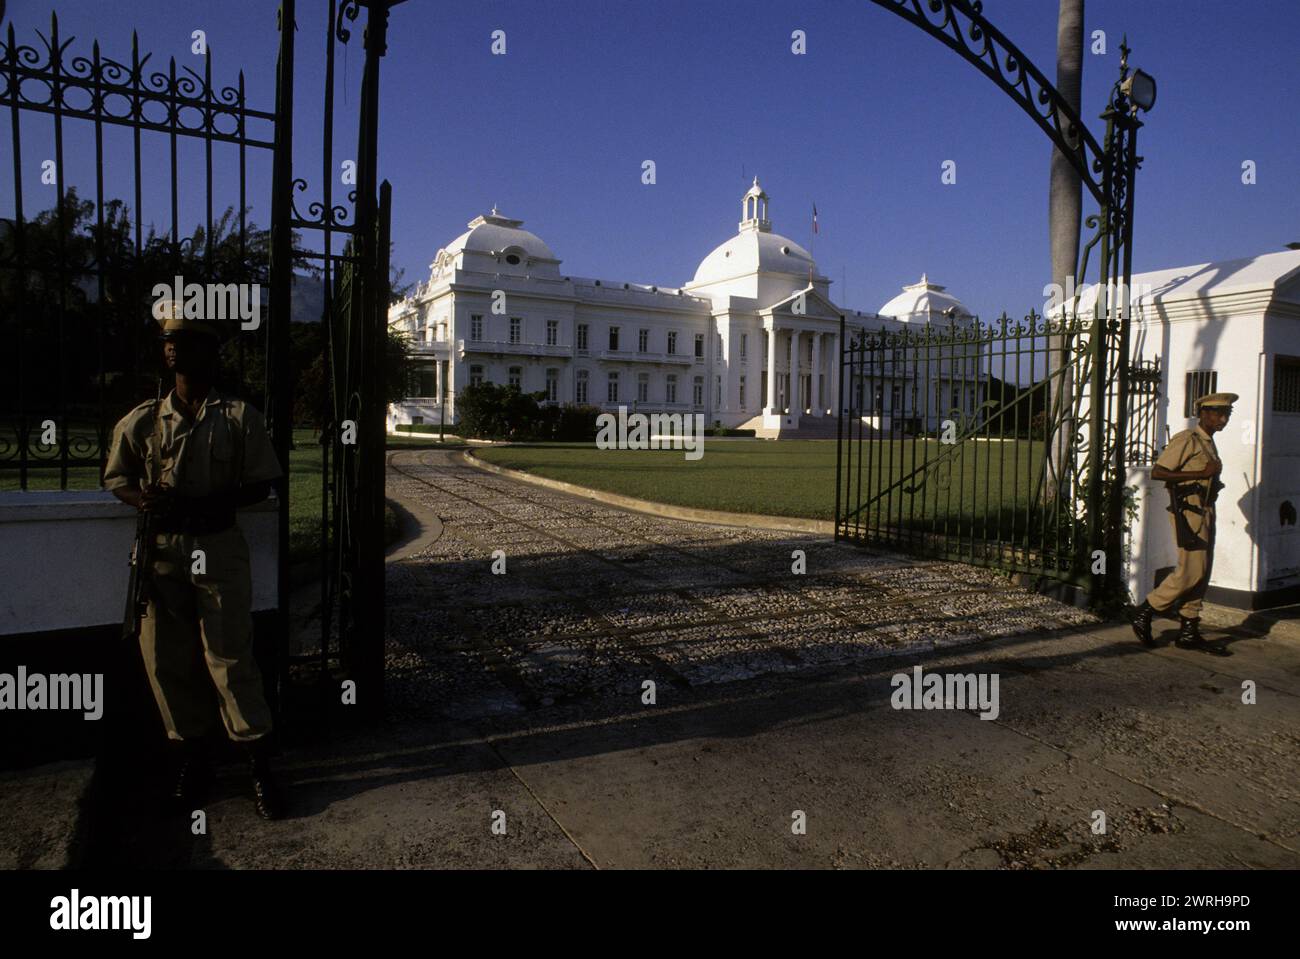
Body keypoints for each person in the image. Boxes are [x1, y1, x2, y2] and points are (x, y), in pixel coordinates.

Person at [103, 303, 287, 818]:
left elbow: (264, 482)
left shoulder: (238, 417)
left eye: (184, 344)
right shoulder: (142, 421)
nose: (173, 350)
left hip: (217, 545)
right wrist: (148, 502)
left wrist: (209, 504)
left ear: (209, 355)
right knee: (164, 658)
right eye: (168, 344)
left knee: (230, 658)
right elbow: (117, 479)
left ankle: (259, 765)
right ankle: (193, 759)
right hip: (161, 553)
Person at [1130, 392, 1237, 655]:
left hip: (1205, 509)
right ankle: (1145, 611)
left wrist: (1210, 482)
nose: (1223, 419)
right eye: (1218, 413)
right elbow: (1159, 472)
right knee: (1191, 571)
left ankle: (1189, 631)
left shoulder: (1208, 441)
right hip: (1189, 511)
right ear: (1203, 413)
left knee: (1202, 572)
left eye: (1227, 414)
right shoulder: (1187, 439)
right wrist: (1200, 474)